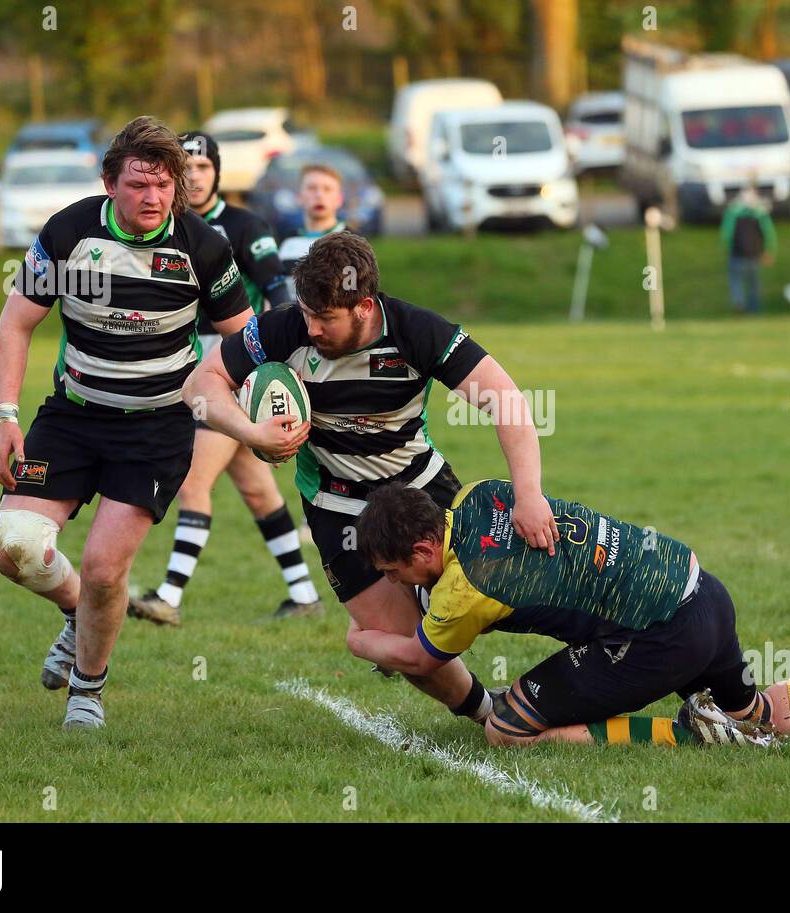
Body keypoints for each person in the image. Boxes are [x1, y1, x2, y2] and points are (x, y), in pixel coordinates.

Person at [182, 231, 558, 726]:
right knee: (402, 644)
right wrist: (253, 431)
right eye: (306, 313)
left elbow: (506, 401)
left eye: (324, 318)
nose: (311, 327)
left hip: (418, 489)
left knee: (490, 600)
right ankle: (489, 713)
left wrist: (528, 495)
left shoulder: (416, 331)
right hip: (337, 503)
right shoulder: (284, 328)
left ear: (363, 306)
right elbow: (199, 386)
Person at [350, 480, 790, 748]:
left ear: (418, 549)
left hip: (659, 635)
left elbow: (418, 657)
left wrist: (361, 640)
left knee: (506, 725)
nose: (397, 583)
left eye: (395, 572)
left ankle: (690, 734)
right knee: (754, 710)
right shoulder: (481, 494)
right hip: (699, 586)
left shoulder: (463, 589)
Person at [0, 116, 252, 729]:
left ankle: (87, 689)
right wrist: (6, 415)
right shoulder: (69, 231)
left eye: (165, 184)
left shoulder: (203, 245)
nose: (153, 198)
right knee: (15, 549)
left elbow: (244, 341)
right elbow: (16, 324)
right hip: (72, 416)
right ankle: (76, 614)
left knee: (108, 569)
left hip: (157, 429)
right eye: (139, 183)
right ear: (111, 183)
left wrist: (257, 414)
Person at [127, 132, 320, 626]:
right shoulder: (168, 226)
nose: (193, 175)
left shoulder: (242, 224)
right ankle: (303, 594)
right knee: (256, 490)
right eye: (184, 167)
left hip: (233, 368)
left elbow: (279, 290)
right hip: (187, 364)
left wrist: (277, 359)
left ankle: (169, 596)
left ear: (217, 172)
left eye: (203, 167)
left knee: (193, 481)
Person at [276, 162, 347, 304]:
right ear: (299, 197)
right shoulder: (285, 241)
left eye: (327, 189)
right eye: (311, 188)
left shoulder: (352, 242)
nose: (319, 195)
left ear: (339, 199)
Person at [720, 185, 776, 314]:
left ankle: (738, 302)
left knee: (736, 281)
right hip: (755, 254)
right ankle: (754, 309)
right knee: (754, 284)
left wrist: (726, 247)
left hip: (737, 254)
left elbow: (727, 233)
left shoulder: (733, 212)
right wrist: (769, 250)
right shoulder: (760, 214)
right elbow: (769, 233)